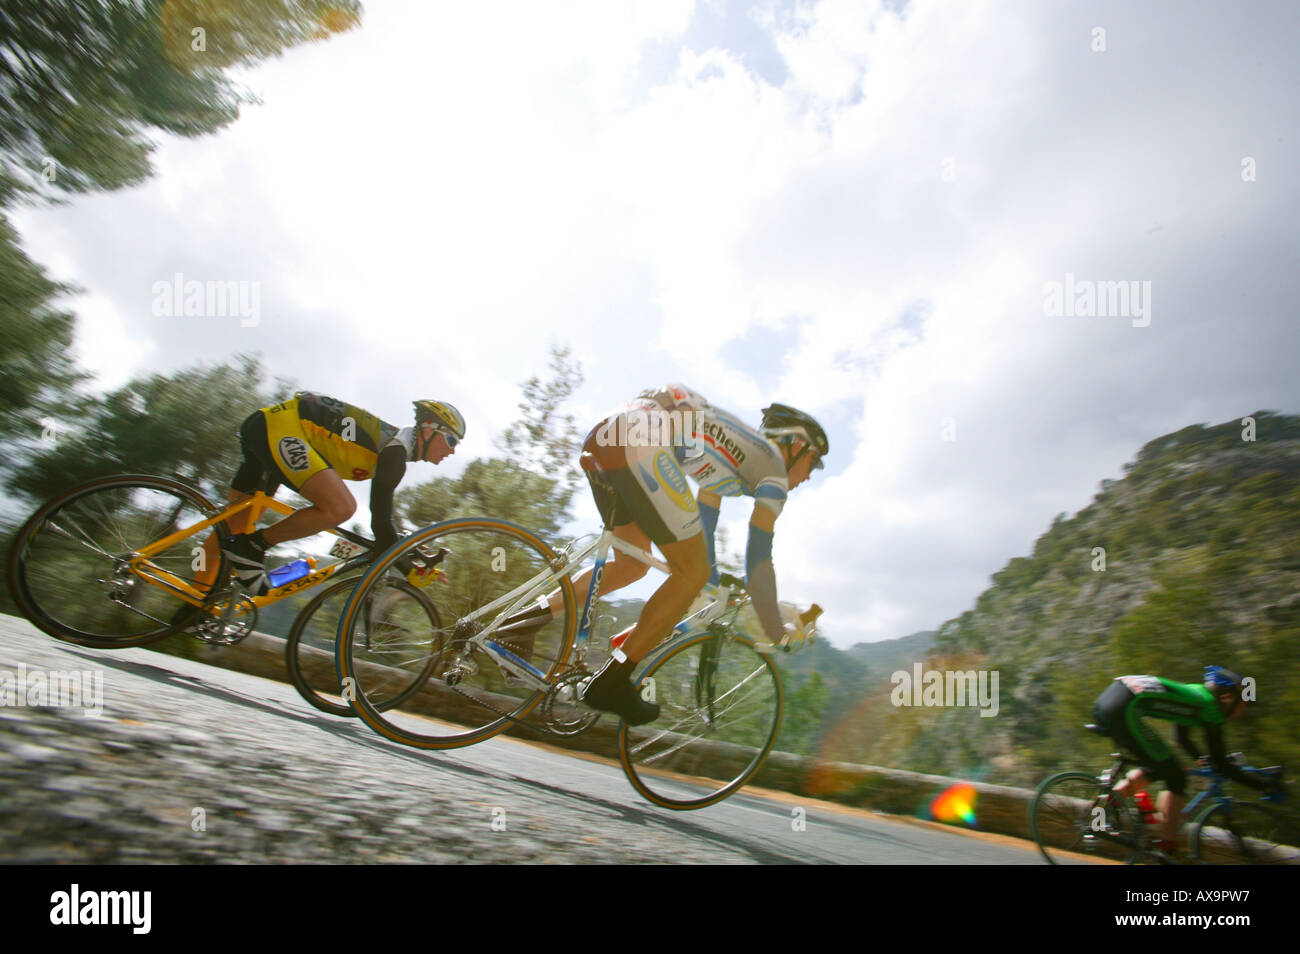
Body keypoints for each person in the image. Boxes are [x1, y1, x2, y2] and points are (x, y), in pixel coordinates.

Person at [501, 384, 826, 724]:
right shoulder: (772, 468)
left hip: (607, 433)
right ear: (795, 444)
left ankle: (519, 625)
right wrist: (778, 633)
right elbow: (759, 558)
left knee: (633, 566)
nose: (809, 476)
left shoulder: (735, 459)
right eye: (813, 462)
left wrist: (712, 584)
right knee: (691, 574)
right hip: (641, 442)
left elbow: (704, 530)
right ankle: (612, 681)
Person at [200, 393, 464, 594]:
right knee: (341, 508)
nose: (452, 450)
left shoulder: (393, 447)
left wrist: (410, 555)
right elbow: (381, 522)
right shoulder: (395, 451)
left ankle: (194, 607)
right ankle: (254, 546)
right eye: (451, 440)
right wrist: (409, 571)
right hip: (282, 427)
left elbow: (385, 530)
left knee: (230, 528)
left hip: (270, 425)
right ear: (428, 429)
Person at [1092, 666, 1277, 854]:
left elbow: (1182, 738)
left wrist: (1201, 759)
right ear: (1227, 697)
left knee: (1165, 766)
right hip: (1124, 709)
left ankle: (1109, 804)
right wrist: (1264, 786)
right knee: (1176, 776)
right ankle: (1167, 847)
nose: (1243, 712)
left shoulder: (1197, 694)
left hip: (1112, 699)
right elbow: (1223, 765)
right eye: (1243, 705)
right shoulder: (1211, 709)